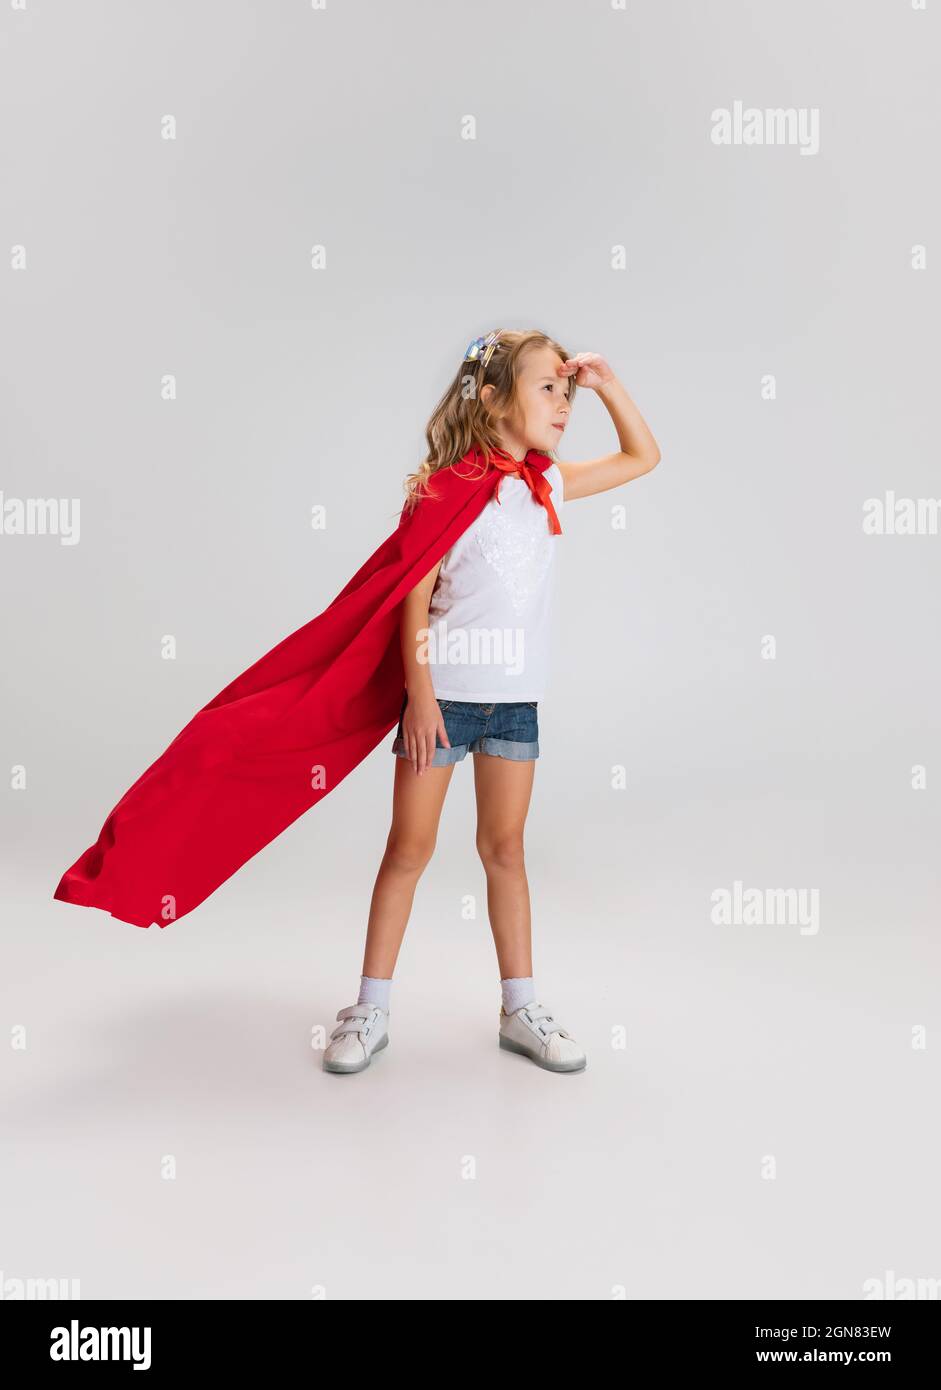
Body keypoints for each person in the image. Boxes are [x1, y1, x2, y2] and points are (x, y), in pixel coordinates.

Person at [324, 328, 661, 1075]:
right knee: (407, 850)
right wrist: (418, 696)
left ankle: (519, 1008)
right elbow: (411, 600)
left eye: (567, 392)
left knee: (504, 851)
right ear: (490, 397)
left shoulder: (548, 484)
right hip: (443, 701)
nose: (563, 403)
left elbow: (644, 457)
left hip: (514, 704)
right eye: (548, 387)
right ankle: (370, 1008)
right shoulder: (444, 490)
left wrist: (606, 384)